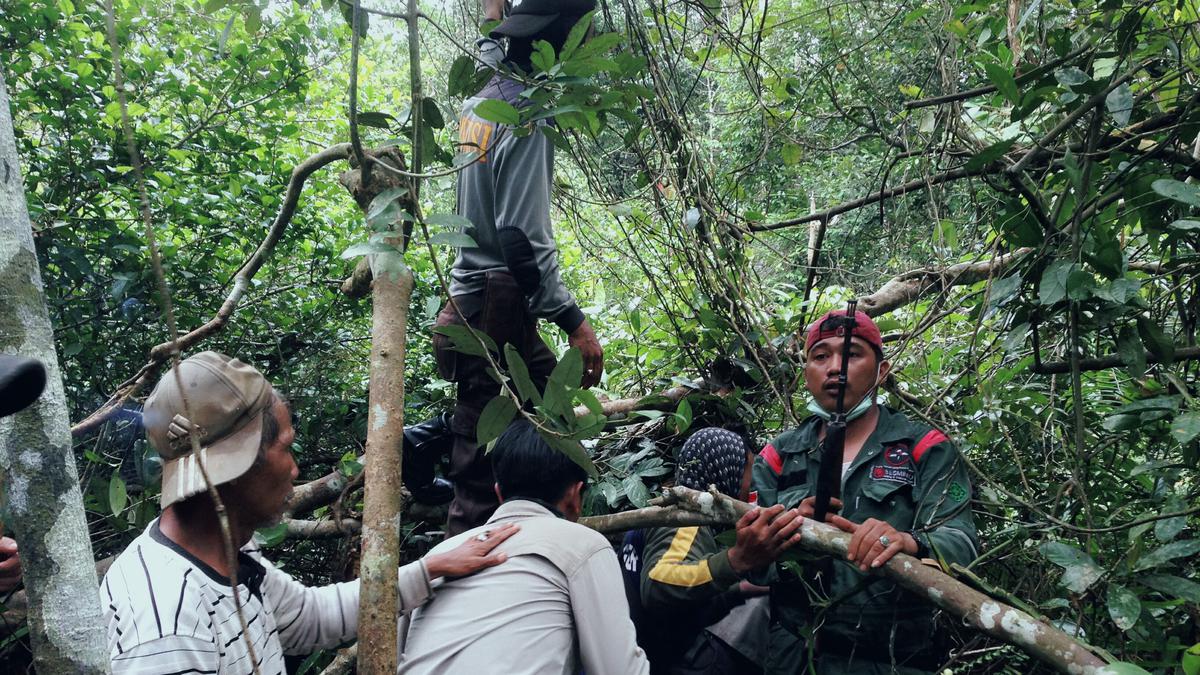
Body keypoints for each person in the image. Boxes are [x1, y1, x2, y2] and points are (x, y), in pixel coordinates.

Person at [100, 351, 518, 673]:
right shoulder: (169, 634)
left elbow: (309, 617)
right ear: (238, 468)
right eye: (285, 448)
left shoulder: (225, 552)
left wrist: (431, 569)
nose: (296, 469)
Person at [434, 0, 604, 536]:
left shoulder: (479, 102)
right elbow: (520, 239)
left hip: (472, 298)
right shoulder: (527, 115)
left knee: (548, 431)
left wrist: (497, 17)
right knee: (485, 464)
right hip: (496, 305)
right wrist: (574, 321)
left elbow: (492, 42)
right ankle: (460, 591)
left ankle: (543, 547)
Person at [752, 310, 980, 674]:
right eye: (820, 356)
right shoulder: (779, 456)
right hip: (794, 655)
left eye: (852, 354)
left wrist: (908, 541)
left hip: (891, 658)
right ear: (806, 371)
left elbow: (962, 543)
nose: (835, 368)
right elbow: (755, 565)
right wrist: (782, 534)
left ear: (882, 371)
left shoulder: (924, 449)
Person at [397, 419, 648, 674]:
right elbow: (619, 668)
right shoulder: (583, 545)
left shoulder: (439, 557)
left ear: (498, 493)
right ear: (575, 495)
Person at [629, 427, 771, 673]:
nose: (751, 482)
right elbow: (657, 583)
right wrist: (733, 562)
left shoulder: (671, 512)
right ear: (728, 469)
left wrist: (739, 590)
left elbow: (689, 602)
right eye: (749, 468)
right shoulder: (687, 521)